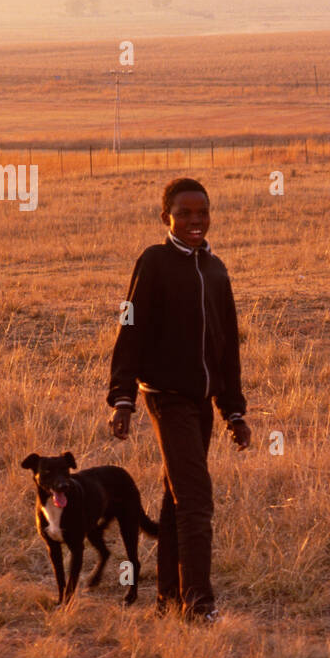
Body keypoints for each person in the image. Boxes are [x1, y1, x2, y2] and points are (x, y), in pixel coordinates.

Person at [106, 177, 250, 623]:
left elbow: (227, 347)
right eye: (185, 213)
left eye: (202, 212)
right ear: (165, 216)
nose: (195, 221)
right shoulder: (154, 262)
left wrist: (233, 410)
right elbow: (130, 328)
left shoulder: (216, 269)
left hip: (202, 402)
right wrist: (122, 398)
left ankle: (168, 599)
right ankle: (199, 605)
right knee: (196, 498)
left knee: (175, 498)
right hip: (165, 398)